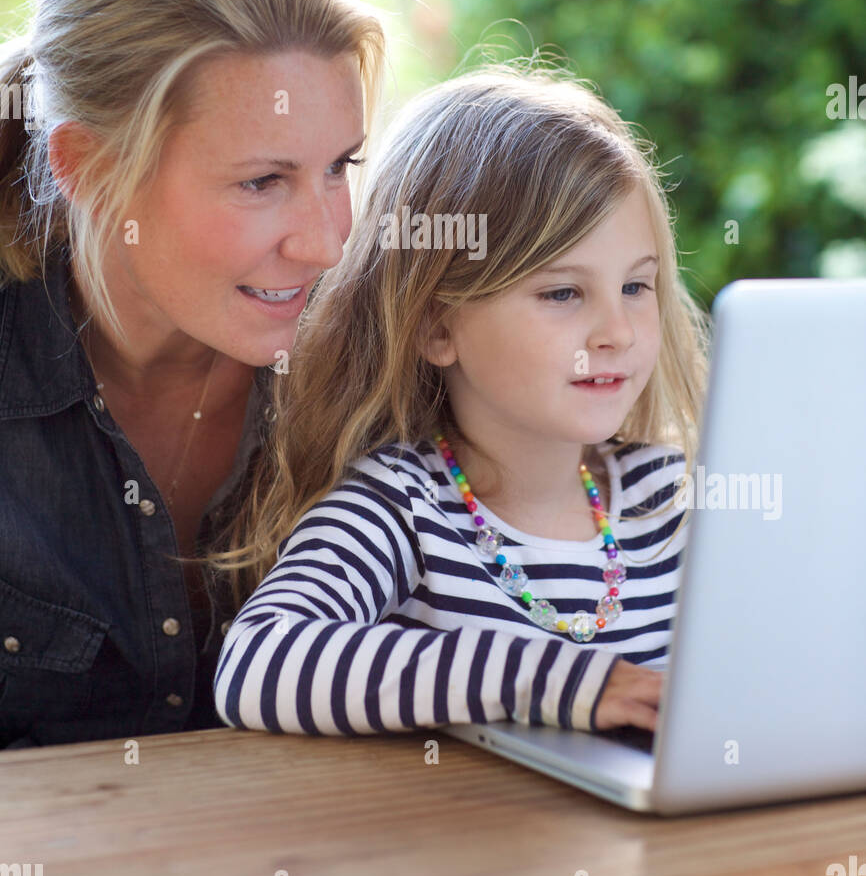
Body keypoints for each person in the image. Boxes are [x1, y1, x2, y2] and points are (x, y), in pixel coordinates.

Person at [212, 63, 711, 738]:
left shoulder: (671, 498)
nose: (617, 332)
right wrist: (561, 681)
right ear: (437, 326)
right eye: (563, 293)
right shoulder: (400, 507)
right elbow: (260, 666)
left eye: (636, 287)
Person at [0, 0, 387, 747]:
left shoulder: (378, 359)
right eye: (262, 182)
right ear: (88, 169)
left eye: (339, 168)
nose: (328, 243)